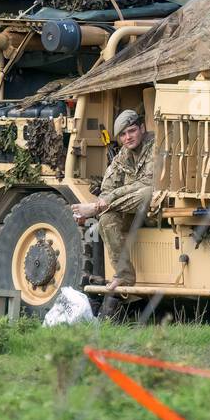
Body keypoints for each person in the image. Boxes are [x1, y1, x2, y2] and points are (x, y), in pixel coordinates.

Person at [71, 109, 154, 290]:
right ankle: (124, 275)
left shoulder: (154, 145)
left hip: (154, 208)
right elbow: (107, 187)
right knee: (107, 219)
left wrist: (100, 205)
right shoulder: (123, 155)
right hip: (132, 212)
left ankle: (95, 209)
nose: (128, 137)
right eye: (123, 135)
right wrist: (103, 202)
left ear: (142, 128)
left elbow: (148, 181)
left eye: (131, 131)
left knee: (147, 191)